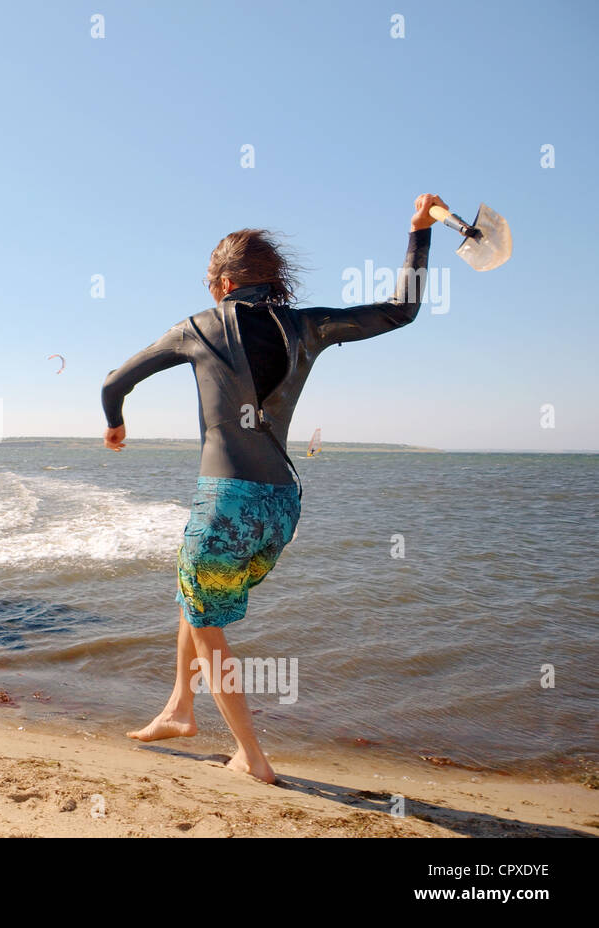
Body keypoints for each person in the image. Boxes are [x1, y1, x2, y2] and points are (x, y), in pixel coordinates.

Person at [101, 194, 441, 784]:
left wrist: (115, 426)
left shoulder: (197, 329)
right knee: (196, 593)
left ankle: (250, 755)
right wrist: (418, 233)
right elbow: (401, 310)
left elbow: (114, 383)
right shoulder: (309, 324)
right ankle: (179, 709)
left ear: (225, 282)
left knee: (207, 622)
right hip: (282, 508)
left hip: (225, 504)